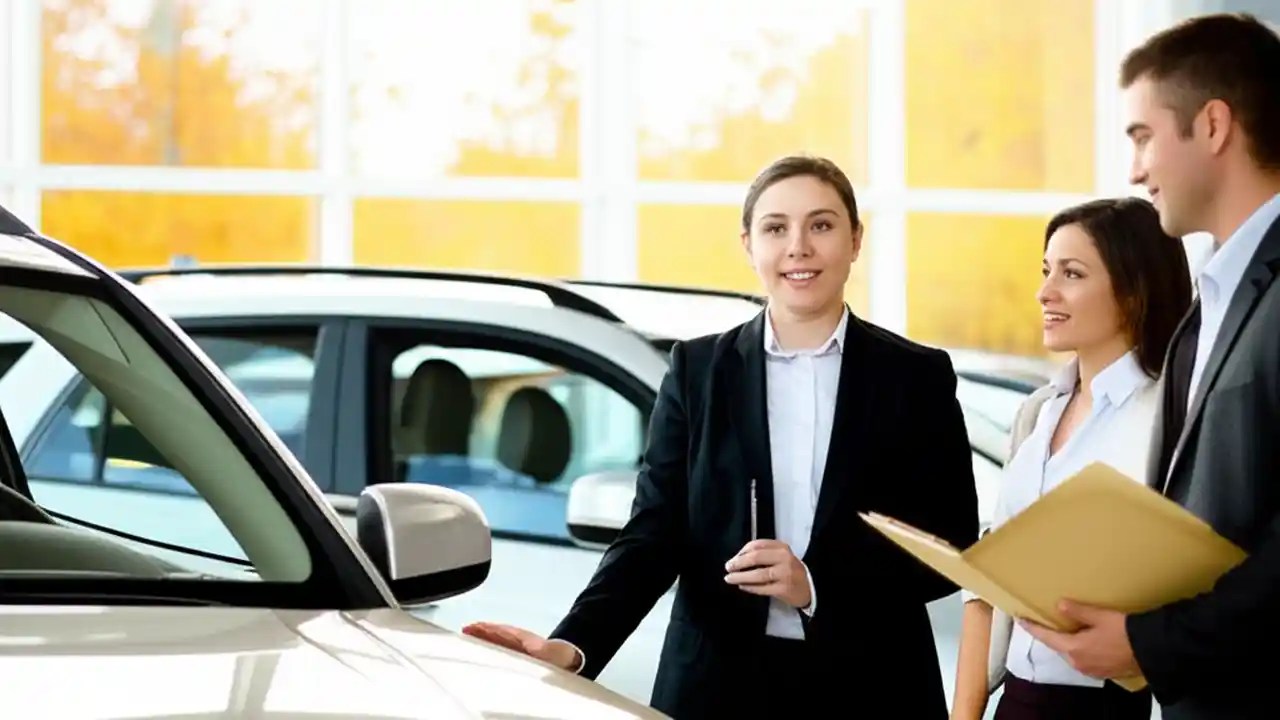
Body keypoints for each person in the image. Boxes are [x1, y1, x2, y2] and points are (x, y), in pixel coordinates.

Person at [462, 154, 979, 718]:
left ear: (856, 240)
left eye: (822, 225)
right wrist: (571, 645)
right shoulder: (698, 370)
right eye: (776, 228)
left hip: (873, 686)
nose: (798, 247)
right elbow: (653, 533)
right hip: (719, 686)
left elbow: (949, 544)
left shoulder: (915, 376)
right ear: (749, 245)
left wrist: (815, 584)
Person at [1016, 13, 1280, 720]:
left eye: (1142, 136)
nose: (1135, 169)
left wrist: (1151, 642)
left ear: (1214, 126)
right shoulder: (1207, 310)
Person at [949, 197, 1191, 720]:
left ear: (1132, 292)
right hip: (1016, 701)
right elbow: (986, 585)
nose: (1045, 292)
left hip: (1110, 705)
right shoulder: (1039, 412)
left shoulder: (1167, 419)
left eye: (1072, 273)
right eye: (1046, 271)